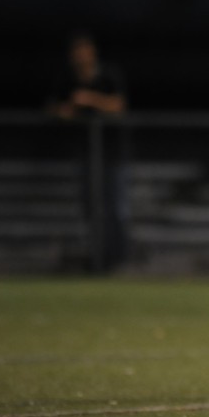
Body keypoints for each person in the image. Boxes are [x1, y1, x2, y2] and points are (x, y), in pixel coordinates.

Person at [45, 31, 130, 272]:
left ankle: (119, 258)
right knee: (91, 207)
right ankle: (98, 256)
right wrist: (67, 109)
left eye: (85, 52)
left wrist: (90, 99)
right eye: (77, 53)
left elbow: (119, 106)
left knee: (116, 208)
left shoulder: (108, 75)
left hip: (111, 153)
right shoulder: (68, 79)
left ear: (93, 53)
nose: (81, 57)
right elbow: (53, 107)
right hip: (85, 152)